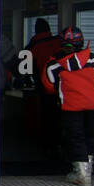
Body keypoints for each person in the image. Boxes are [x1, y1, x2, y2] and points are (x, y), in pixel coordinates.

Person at [42, 25, 94, 186]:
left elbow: (49, 85)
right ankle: (89, 169)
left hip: (70, 106)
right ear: (82, 42)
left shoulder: (55, 63)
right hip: (92, 104)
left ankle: (81, 174)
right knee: (89, 135)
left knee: (75, 136)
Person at [24, 18, 62, 157]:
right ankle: (60, 145)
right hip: (64, 87)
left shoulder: (33, 46)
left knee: (47, 116)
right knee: (62, 116)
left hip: (44, 87)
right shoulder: (59, 41)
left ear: (36, 30)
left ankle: (48, 146)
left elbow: (25, 68)